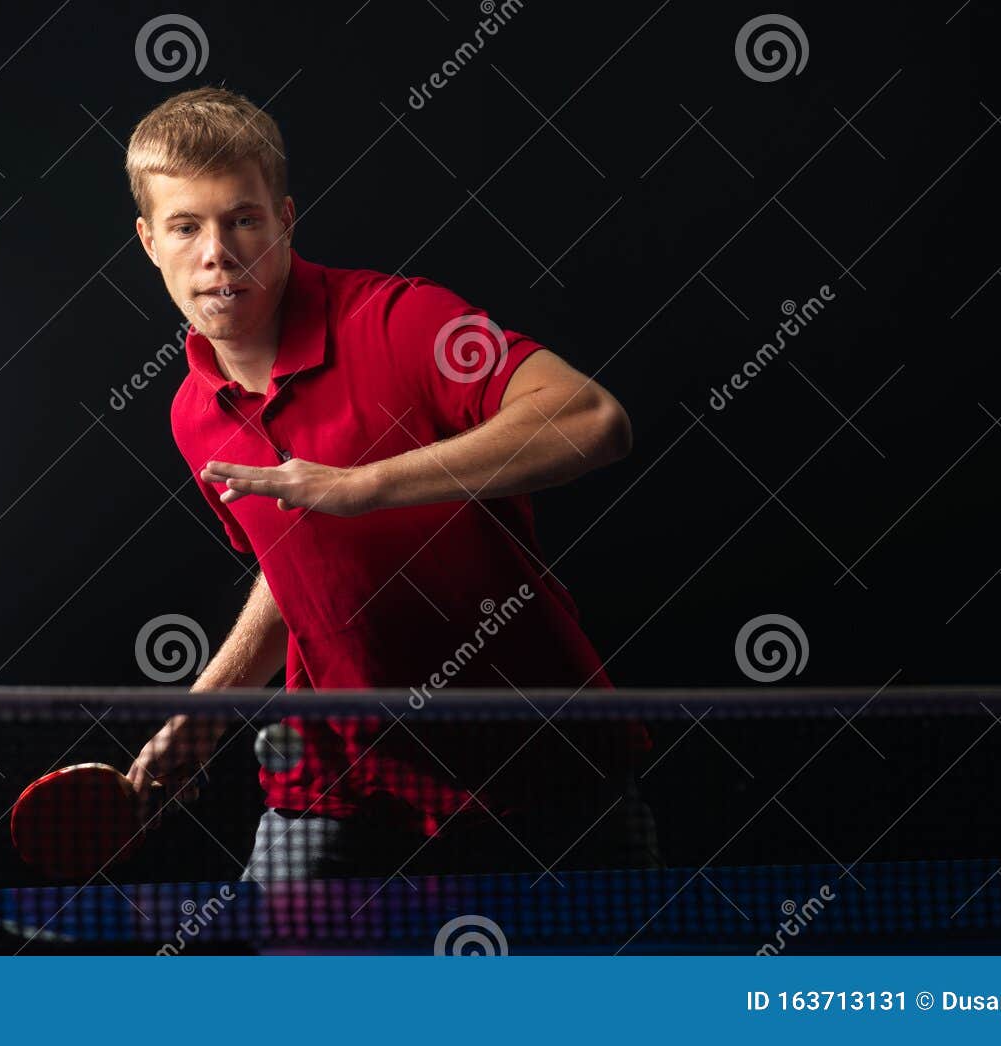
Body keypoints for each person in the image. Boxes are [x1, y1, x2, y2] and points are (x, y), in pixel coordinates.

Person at [123, 86, 657, 883]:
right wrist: (211, 704)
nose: (218, 254)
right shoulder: (191, 413)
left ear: (286, 220)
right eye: (187, 227)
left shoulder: (402, 320)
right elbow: (292, 572)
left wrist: (365, 485)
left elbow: (591, 419)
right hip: (337, 788)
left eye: (243, 220)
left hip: (539, 761)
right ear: (148, 241)